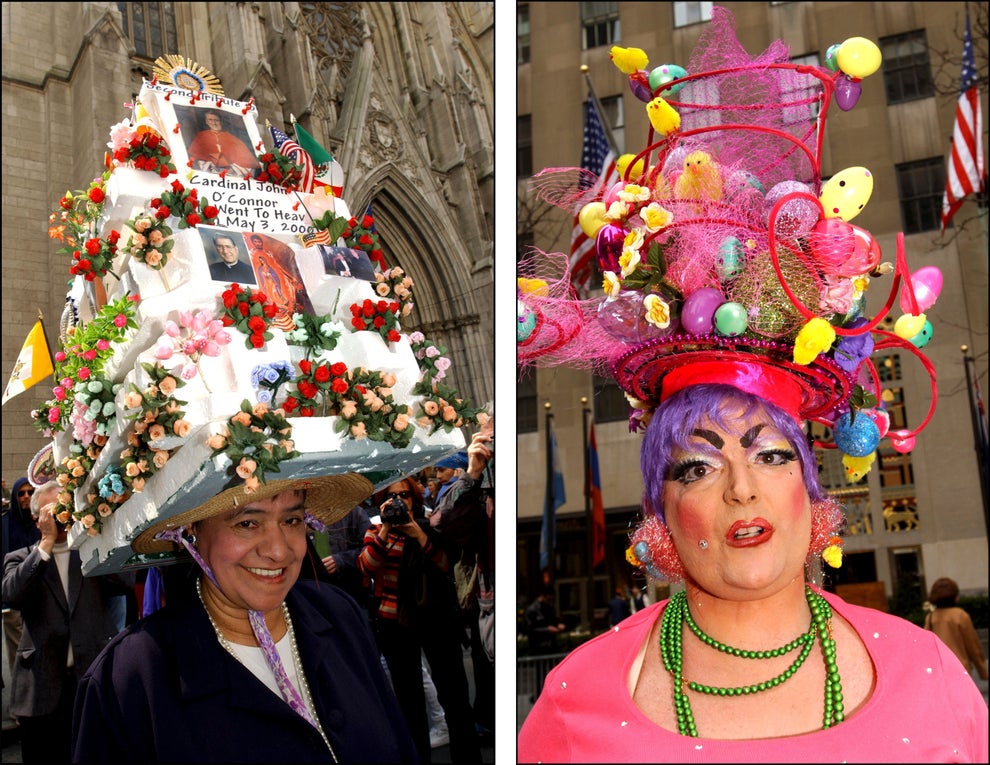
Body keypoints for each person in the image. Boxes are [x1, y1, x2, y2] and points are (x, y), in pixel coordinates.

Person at [516, 10, 986, 760]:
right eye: (698, 465)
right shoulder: (575, 700)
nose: (742, 489)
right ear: (662, 506)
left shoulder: (933, 674)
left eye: (770, 454)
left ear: (811, 483)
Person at [71, 473, 417, 762]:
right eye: (247, 523)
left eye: (292, 520)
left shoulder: (338, 614)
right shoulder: (130, 678)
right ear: (191, 531)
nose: (279, 550)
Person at [2, 480, 133, 764]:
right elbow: (12, 594)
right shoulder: (20, 559)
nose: (62, 515)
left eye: (66, 508)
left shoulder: (87, 554)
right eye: (54, 511)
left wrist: (95, 537)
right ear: (37, 519)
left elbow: (126, 581)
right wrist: (46, 544)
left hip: (91, 677)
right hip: (43, 685)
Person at [358, 477, 481, 763]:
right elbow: (365, 566)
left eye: (405, 495)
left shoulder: (431, 525)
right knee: (408, 703)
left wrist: (417, 533)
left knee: (454, 697)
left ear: (415, 497)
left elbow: (445, 563)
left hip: (436, 621)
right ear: (383, 502)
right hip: (394, 624)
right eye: (393, 497)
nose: (401, 501)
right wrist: (387, 528)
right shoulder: (377, 529)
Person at [433, 410, 496, 737]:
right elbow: (445, 526)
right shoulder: (477, 481)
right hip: (488, 598)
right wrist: (472, 473)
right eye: (489, 439)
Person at [2, 477, 40, 673]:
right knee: (19, 655)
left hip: (40, 596)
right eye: (21, 493)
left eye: (30, 492)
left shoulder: (41, 522)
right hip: (14, 600)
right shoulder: (5, 524)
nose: (26, 497)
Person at [924, 577, 989, 686]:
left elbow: (926, 647)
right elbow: (973, 647)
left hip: (940, 671)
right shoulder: (960, 615)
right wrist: (983, 671)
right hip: (960, 669)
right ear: (955, 596)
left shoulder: (930, 617)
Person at [186, 109, 260, 178]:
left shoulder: (232, 138)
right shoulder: (201, 136)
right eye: (210, 120)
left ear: (221, 122)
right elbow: (194, 156)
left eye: (216, 120)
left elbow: (246, 160)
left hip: (230, 174)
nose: (214, 123)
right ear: (206, 122)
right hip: (207, 173)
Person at [523, 588, 567, 655]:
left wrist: (558, 625)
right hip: (537, 648)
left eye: (552, 599)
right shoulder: (531, 609)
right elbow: (529, 629)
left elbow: (553, 621)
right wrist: (546, 629)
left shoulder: (549, 608)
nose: (550, 601)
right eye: (549, 599)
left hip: (551, 646)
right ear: (542, 596)